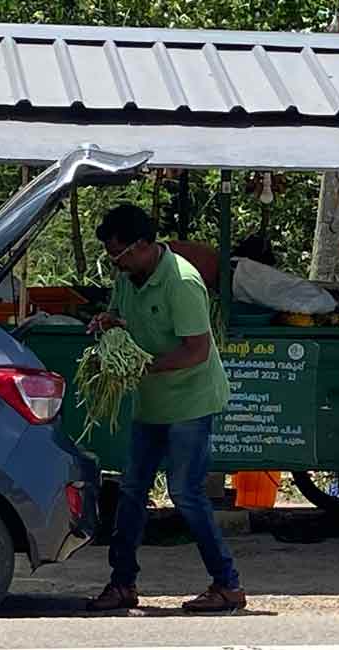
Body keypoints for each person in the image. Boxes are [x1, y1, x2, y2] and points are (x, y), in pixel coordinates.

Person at [85, 203, 245, 613]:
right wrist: (107, 322)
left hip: (190, 401)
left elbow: (197, 350)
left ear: (143, 246)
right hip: (153, 402)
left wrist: (143, 367)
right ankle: (122, 584)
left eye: (118, 255)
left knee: (185, 493)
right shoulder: (128, 277)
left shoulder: (183, 283)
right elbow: (121, 316)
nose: (115, 264)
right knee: (132, 490)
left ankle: (227, 585)